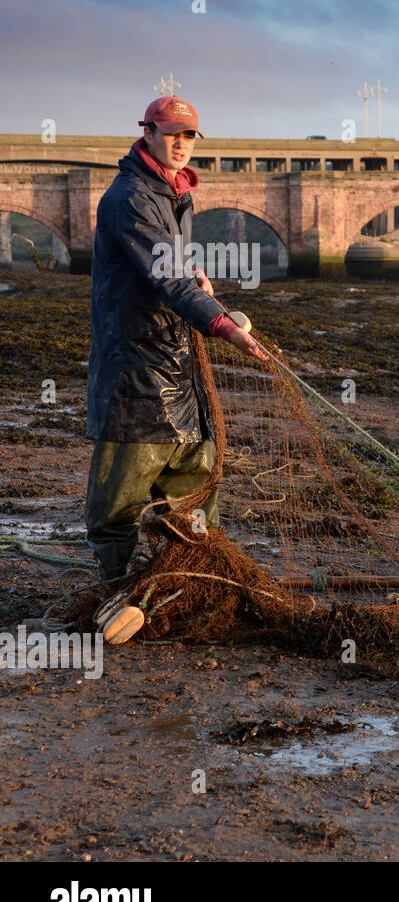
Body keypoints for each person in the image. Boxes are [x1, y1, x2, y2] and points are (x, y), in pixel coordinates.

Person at [85, 96, 269, 641]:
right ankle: (114, 589)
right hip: (134, 366)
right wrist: (224, 325)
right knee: (121, 492)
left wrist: (196, 276)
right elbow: (164, 279)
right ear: (147, 132)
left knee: (195, 478)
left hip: (174, 362)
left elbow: (170, 267)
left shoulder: (173, 192)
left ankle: (188, 580)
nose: (182, 142)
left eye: (190, 135)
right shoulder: (131, 197)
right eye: (171, 133)